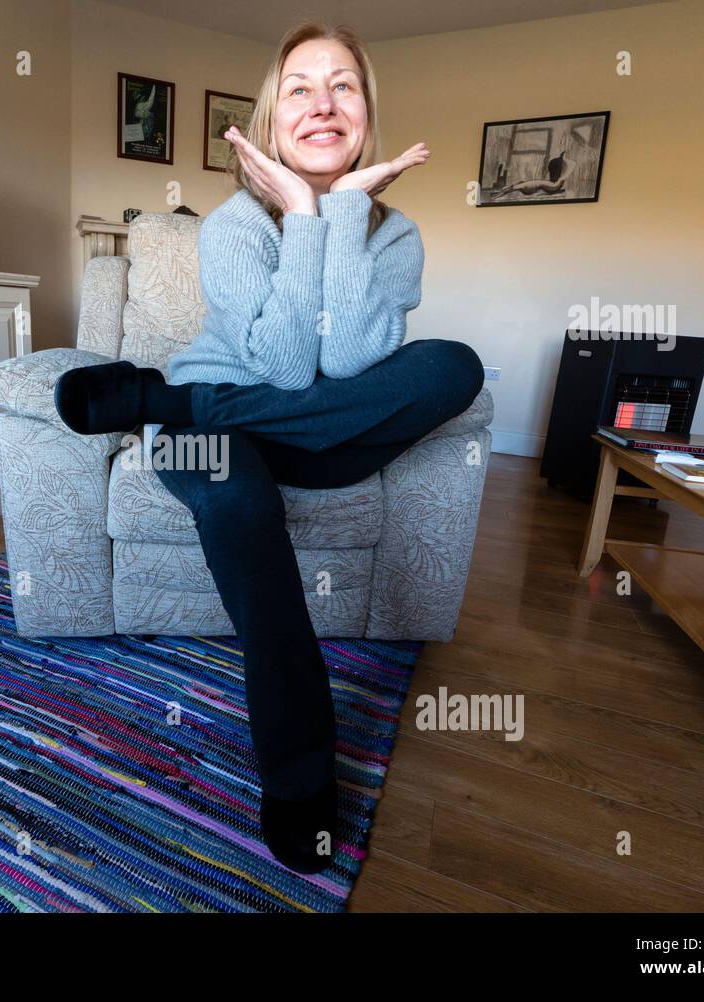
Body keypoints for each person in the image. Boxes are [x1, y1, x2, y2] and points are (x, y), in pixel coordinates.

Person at [54, 21, 483, 874]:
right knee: (238, 499)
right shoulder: (234, 225)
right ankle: (298, 774)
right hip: (210, 444)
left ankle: (161, 397)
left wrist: (338, 211)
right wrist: (299, 215)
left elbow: (347, 363)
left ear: (366, 114)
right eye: (299, 88)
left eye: (343, 85)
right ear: (271, 118)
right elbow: (286, 366)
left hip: (317, 438)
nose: (323, 102)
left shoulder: (393, 235)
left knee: (453, 365)